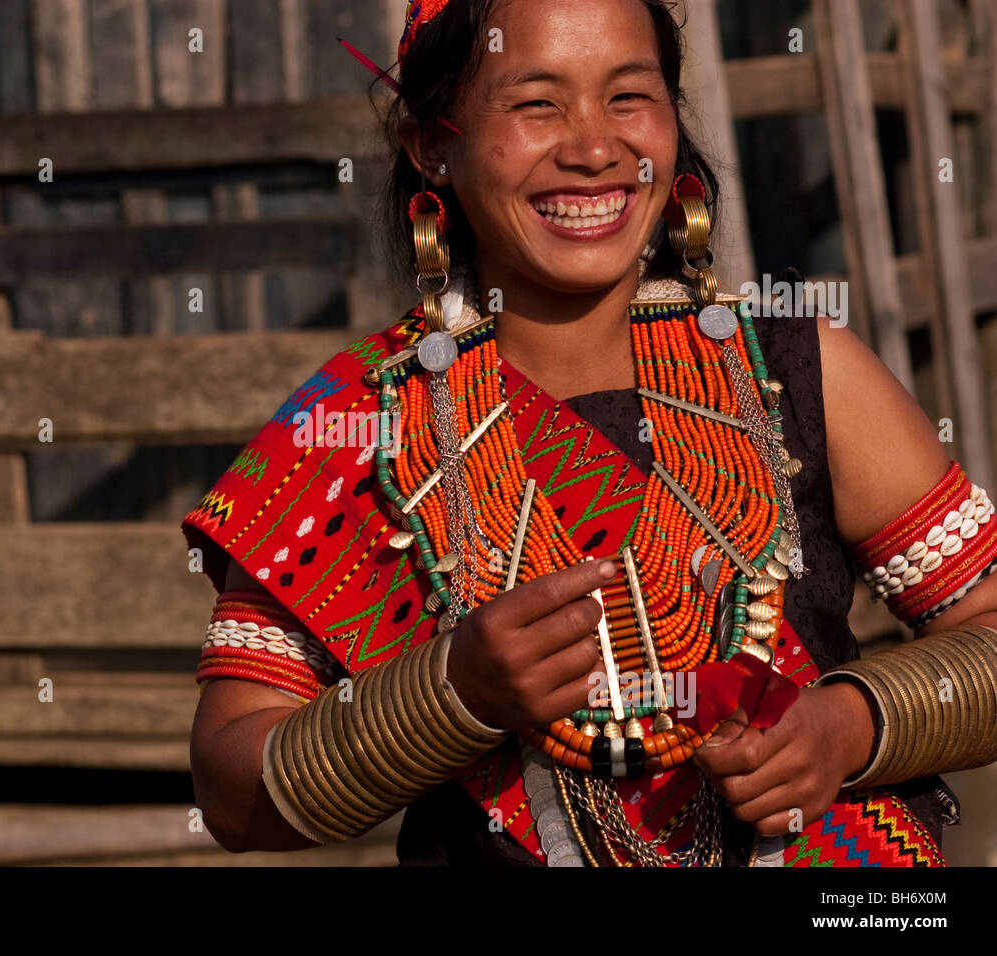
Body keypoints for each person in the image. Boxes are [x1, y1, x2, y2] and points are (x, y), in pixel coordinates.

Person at [183, 0, 997, 866]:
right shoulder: (363, 422)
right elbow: (234, 799)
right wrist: (450, 693)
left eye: (629, 98)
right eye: (536, 104)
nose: (593, 147)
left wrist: (846, 724)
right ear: (433, 144)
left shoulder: (798, 372)